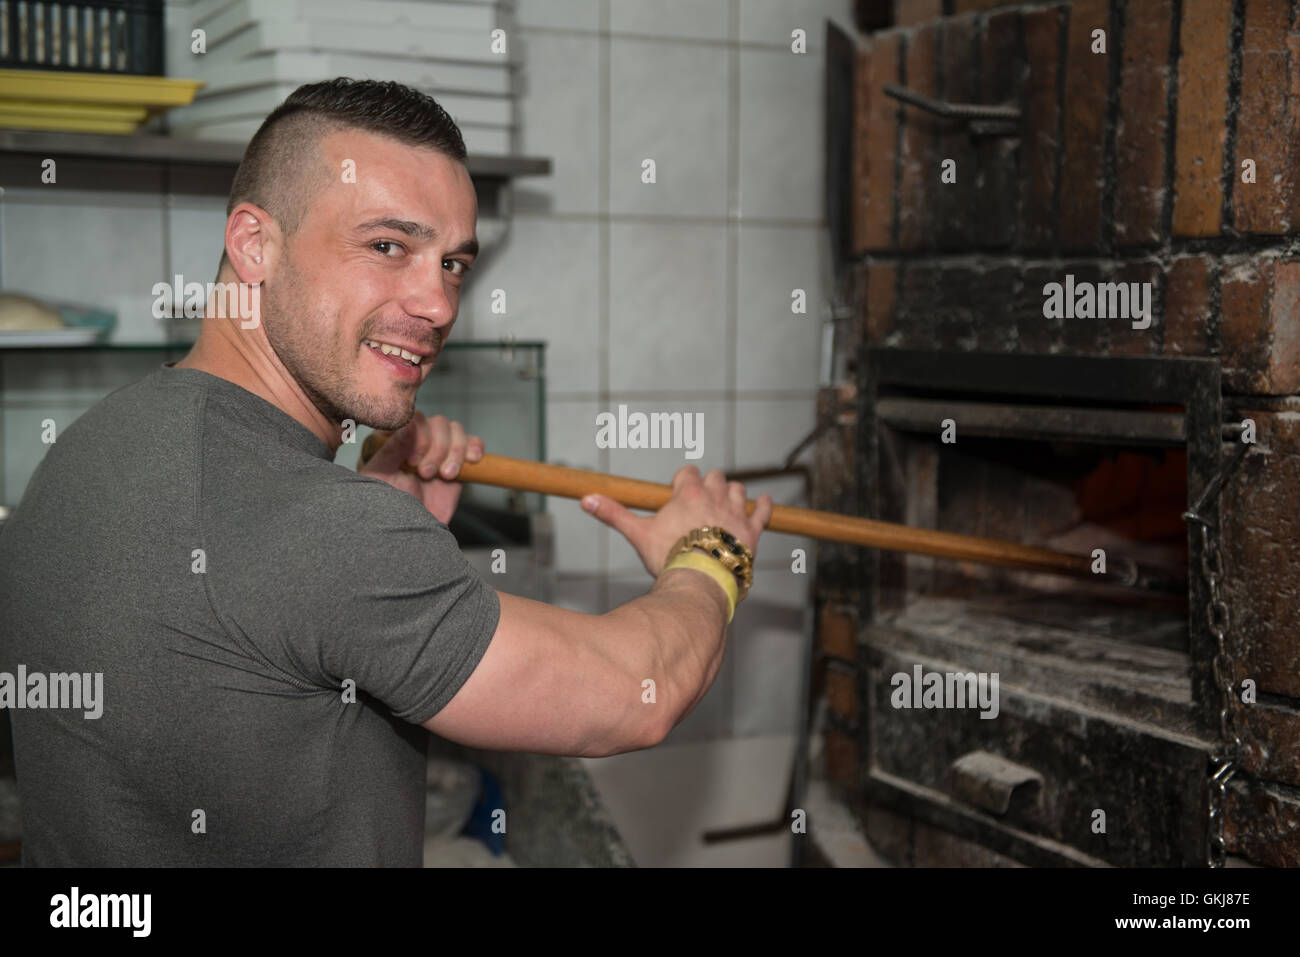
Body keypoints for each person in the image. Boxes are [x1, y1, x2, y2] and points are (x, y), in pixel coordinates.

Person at [0, 78, 772, 866]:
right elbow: (628, 697)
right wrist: (710, 556)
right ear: (253, 243)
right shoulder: (323, 531)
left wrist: (374, 504)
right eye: (387, 246)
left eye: (454, 264)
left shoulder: (86, 447)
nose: (437, 302)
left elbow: (248, 639)